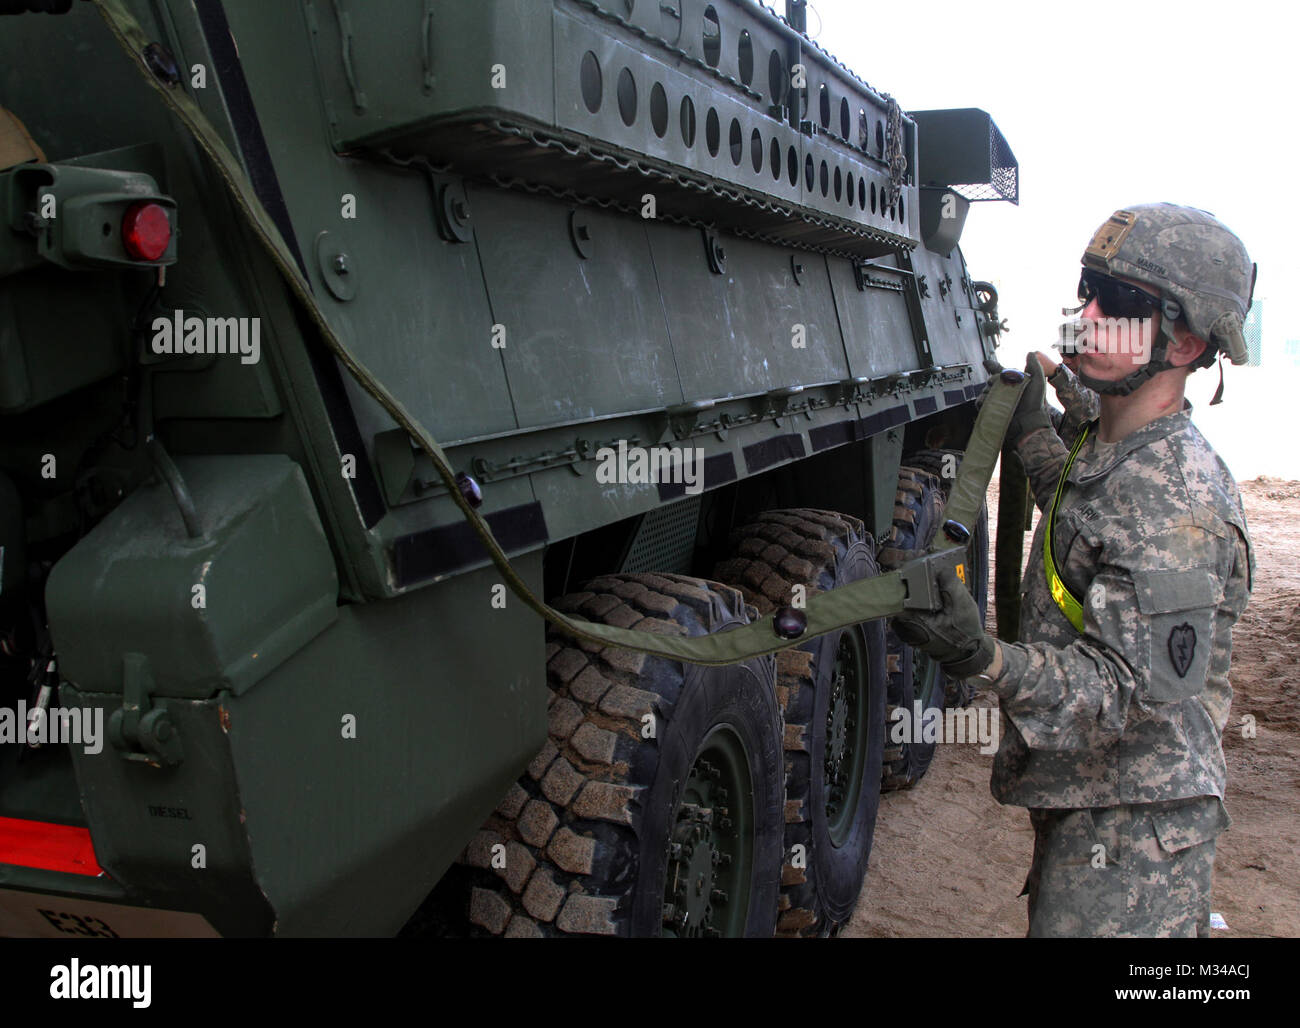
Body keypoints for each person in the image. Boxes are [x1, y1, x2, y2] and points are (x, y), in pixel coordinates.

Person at [893, 203, 1257, 937]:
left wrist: (984, 657)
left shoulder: (1174, 500)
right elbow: (1089, 512)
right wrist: (1031, 433)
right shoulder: (1117, 444)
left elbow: (1127, 694)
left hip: (1133, 839)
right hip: (1103, 807)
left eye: (1120, 304)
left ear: (1185, 342)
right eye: (1088, 288)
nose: (1087, 315)